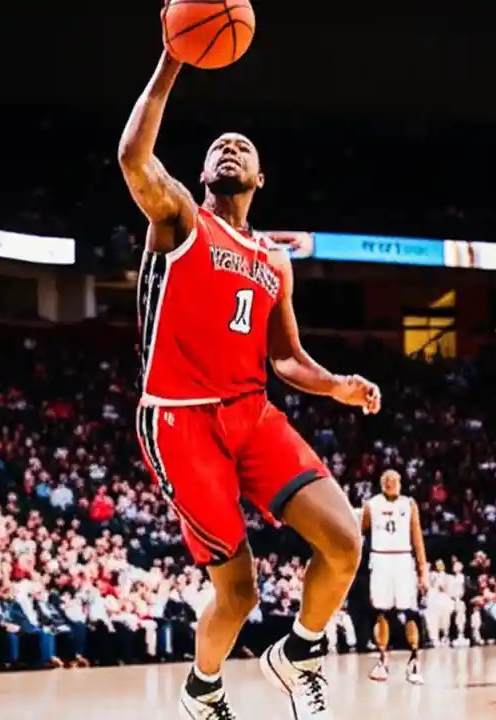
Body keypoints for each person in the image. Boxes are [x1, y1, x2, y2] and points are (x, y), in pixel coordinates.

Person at [118, 50, 381, 720]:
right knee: (239, 594)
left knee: (345, 541)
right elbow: (132, 159)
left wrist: (336, 385)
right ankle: (202, 690)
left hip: (251, 412)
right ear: (204, 174)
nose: (230, 147)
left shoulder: (275, 260)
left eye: (243, 147)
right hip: (179, 420)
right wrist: (172, 59)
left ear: (260, 177)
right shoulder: (179, 217)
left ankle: (298, 654)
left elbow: (286, 358)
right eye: (219, 146)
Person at [362, 470, 427, 685]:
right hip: (380, 560)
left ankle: (415, 659)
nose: (391, 483)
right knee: (381, 612)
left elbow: (417, 540)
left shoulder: (409, 504)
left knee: (409, 611)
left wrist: (423, 572)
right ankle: (383, 660)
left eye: (395, 480)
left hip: (402, 559)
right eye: (387, 480)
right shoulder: (371, 505)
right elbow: (359, 531)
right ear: (382, 484)